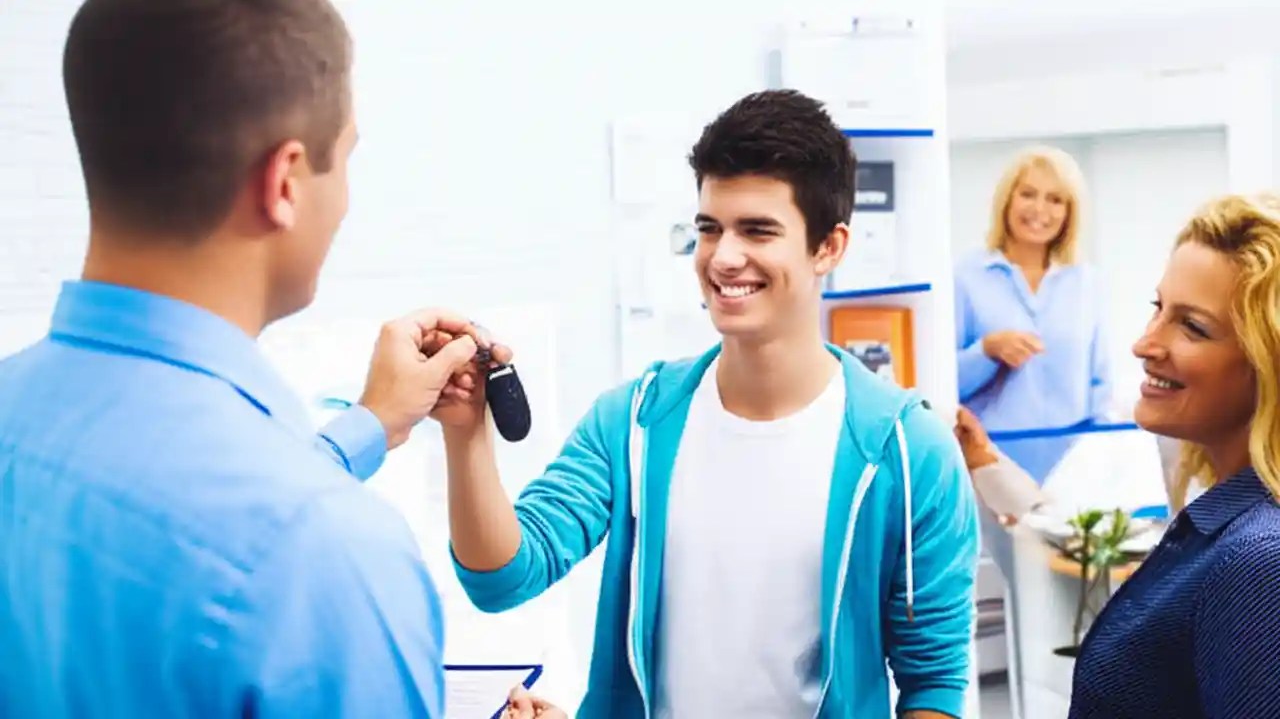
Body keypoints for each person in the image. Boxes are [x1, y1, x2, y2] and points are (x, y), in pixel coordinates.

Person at [0, 0, 527, 716]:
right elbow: (263, 537)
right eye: (343, 159)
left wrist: (370, 424)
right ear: (284, 183)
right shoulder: (331, 555)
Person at [436, 89, 979, 718]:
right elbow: (503, 577)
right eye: (709, 228)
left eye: (758, 231)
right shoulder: (633, 423)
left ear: (828, 247)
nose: (723, 257)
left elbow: (933, 684)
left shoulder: (908, 451)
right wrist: (464, 433)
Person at [1068, 193, 1280, 718]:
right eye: (1158, 308)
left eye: (1193, 326)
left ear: (1267, 364)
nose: (1145, 343)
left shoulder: (1258, 558)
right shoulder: (1229, 526)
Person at [954, 146, 1112, 483]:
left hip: (1072, 469)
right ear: (1007, 200)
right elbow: (944, 385)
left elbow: (1100, 383)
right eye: (1028, 194)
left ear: (1070, 212)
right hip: (990, 464)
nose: (1040, 209)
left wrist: (1101, 464)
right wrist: (987, 350)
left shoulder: (1087, 281)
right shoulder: (965, 276)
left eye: (1056, 199)